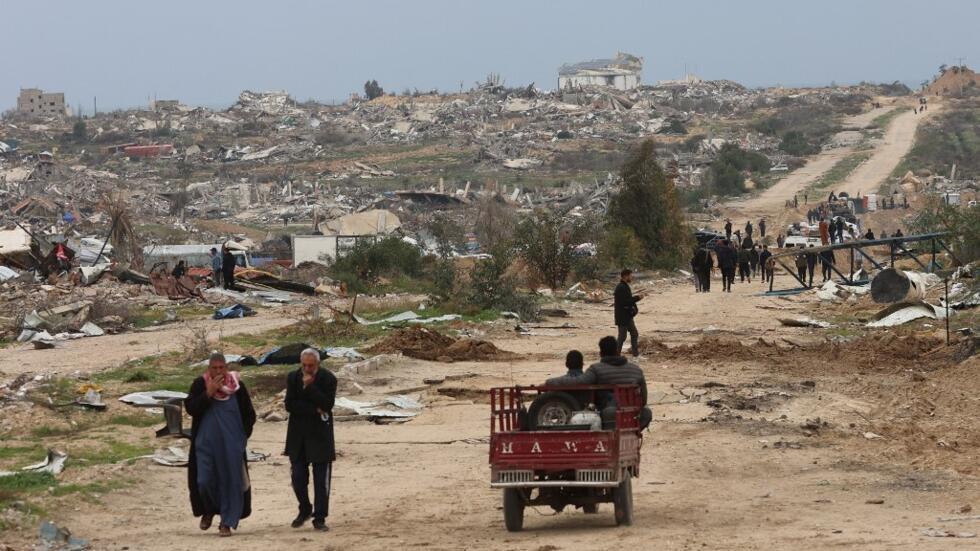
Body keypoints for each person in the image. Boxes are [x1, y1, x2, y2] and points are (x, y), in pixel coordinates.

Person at [185, 352, 256, 537]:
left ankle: (227, 522)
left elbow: (249, 414)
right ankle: (208, 510)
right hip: (205, 444)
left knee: (231, 482)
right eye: (214, 368)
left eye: (221, 368)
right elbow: (191, 408)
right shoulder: (200, 384)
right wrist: (207, 393)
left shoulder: (237, 386)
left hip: (231, 445)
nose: (218, 372)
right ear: (209, 368)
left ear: (227, 368)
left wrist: (241, 439)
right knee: (204, 480)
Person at [285, 348, 338, 533]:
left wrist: (311, 388)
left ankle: (320, 517)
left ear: (318, 364)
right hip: (297, 435)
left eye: (311, 366)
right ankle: (305, 507)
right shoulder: (293, 377)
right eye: (304, 365)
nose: (307, 369)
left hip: (320, 436)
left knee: (321, 480)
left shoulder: (328, 379)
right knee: (298, 477)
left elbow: (327, 404)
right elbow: (290, 405)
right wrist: (313, 409)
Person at [579, 336, 651, 431]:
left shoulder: (596, 369)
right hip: (633, 415)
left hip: (609, 416)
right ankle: (633, 432)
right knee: (647, 412)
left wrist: (553, 382)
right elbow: (644, 399)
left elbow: (579, 383)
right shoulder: (636, 370)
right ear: (617, 351)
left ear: (601, 353)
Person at [614, 269, 642, 357]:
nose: (632, 277)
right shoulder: (621, 287)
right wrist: (638, 298)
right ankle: (616, 355)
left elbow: (627, 300)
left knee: (634, 333)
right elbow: (625, 302)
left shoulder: (624, 286)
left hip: (627, 315)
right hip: (622, 316)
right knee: (622, 337)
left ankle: (635, 353)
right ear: (625, 276)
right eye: (630, 275)